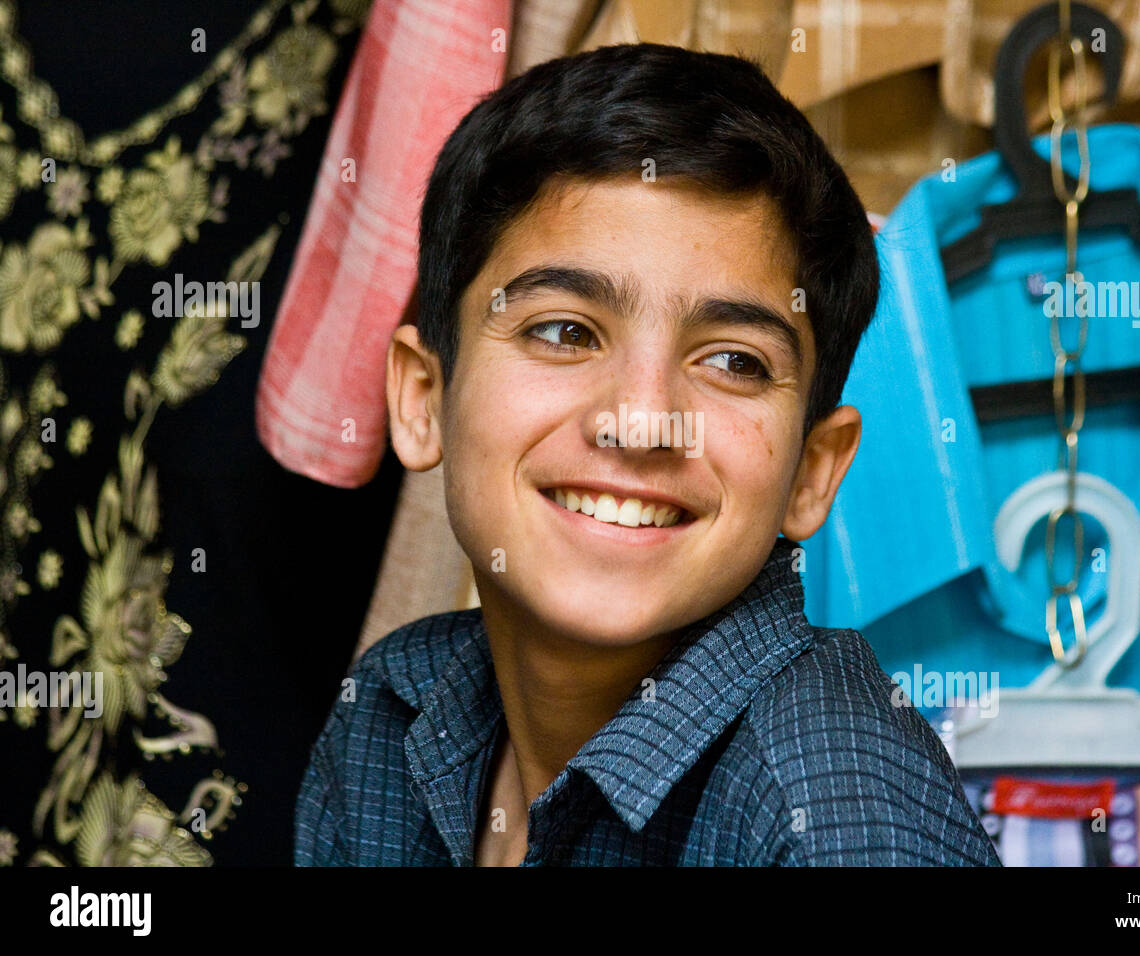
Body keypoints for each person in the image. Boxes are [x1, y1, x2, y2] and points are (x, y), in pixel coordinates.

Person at [294, 42, 1000, 866]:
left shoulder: (837, 814)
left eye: (733, 361)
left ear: (813, 470)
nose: (641, 423)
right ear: (422, 399)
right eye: (563, 332)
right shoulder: (391, 712)